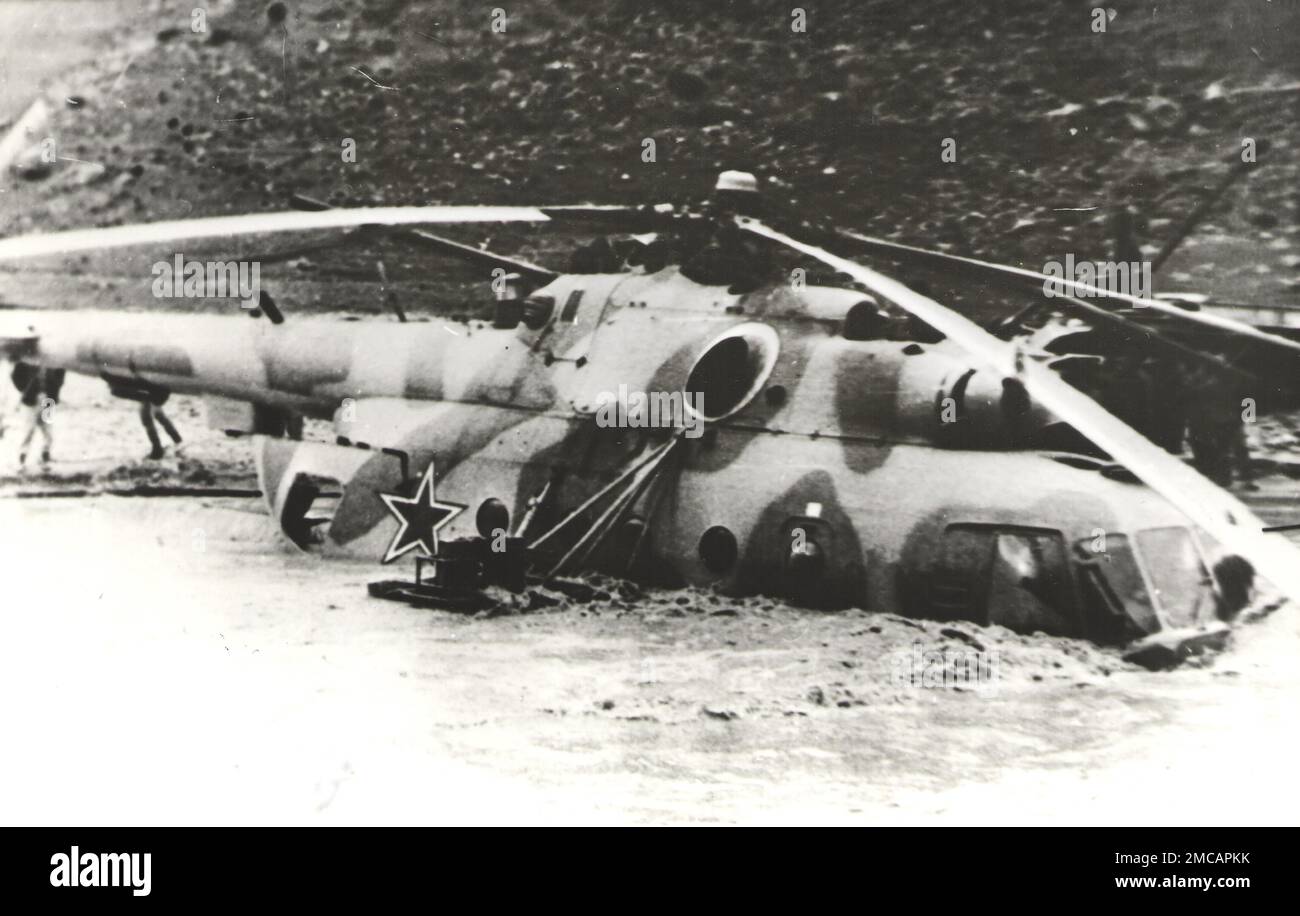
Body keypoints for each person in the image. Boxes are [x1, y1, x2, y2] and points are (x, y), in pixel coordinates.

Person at [11, 362, 65, 470]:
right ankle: (22, 458)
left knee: (48, 431)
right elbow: (15, 375)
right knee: (28, 430)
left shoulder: (54, 359)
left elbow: (61, 373)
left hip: (48, 399)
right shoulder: (29, 359)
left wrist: (55, 389)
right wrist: (24, 389)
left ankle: (45, 456)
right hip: (31, 400)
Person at [140, 390, 183, 460]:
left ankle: (157, 449)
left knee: (149, 423)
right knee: (163, 420)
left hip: (148, 401)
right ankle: (178, 440)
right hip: (155, 400)